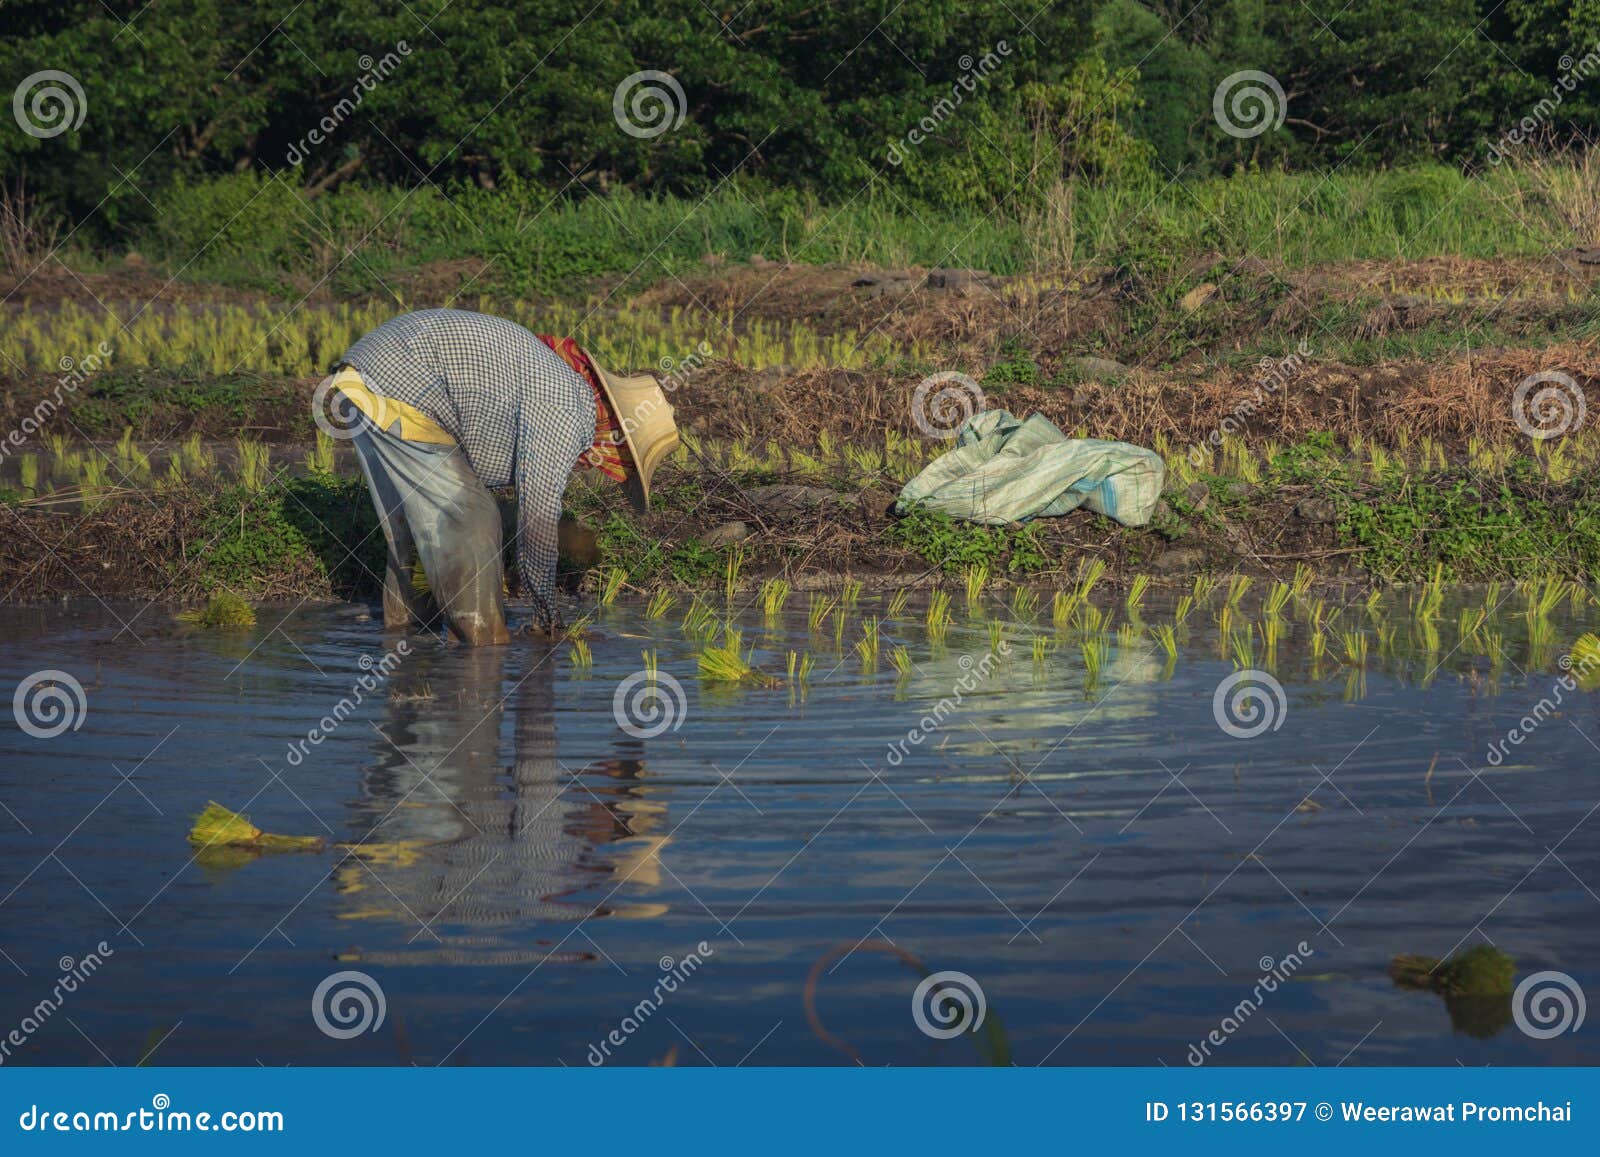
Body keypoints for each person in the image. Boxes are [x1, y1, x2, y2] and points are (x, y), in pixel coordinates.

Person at [316, 309, 678, 645]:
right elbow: (536, 520)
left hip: (362, 378)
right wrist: (547, 619)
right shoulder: (571, 408)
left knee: (414, 528)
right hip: (401, 380)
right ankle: (481, 646)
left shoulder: (559, 381)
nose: (605, 465)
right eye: (621, 458)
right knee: (474, 518)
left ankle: (406, 638)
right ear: (616, 432)